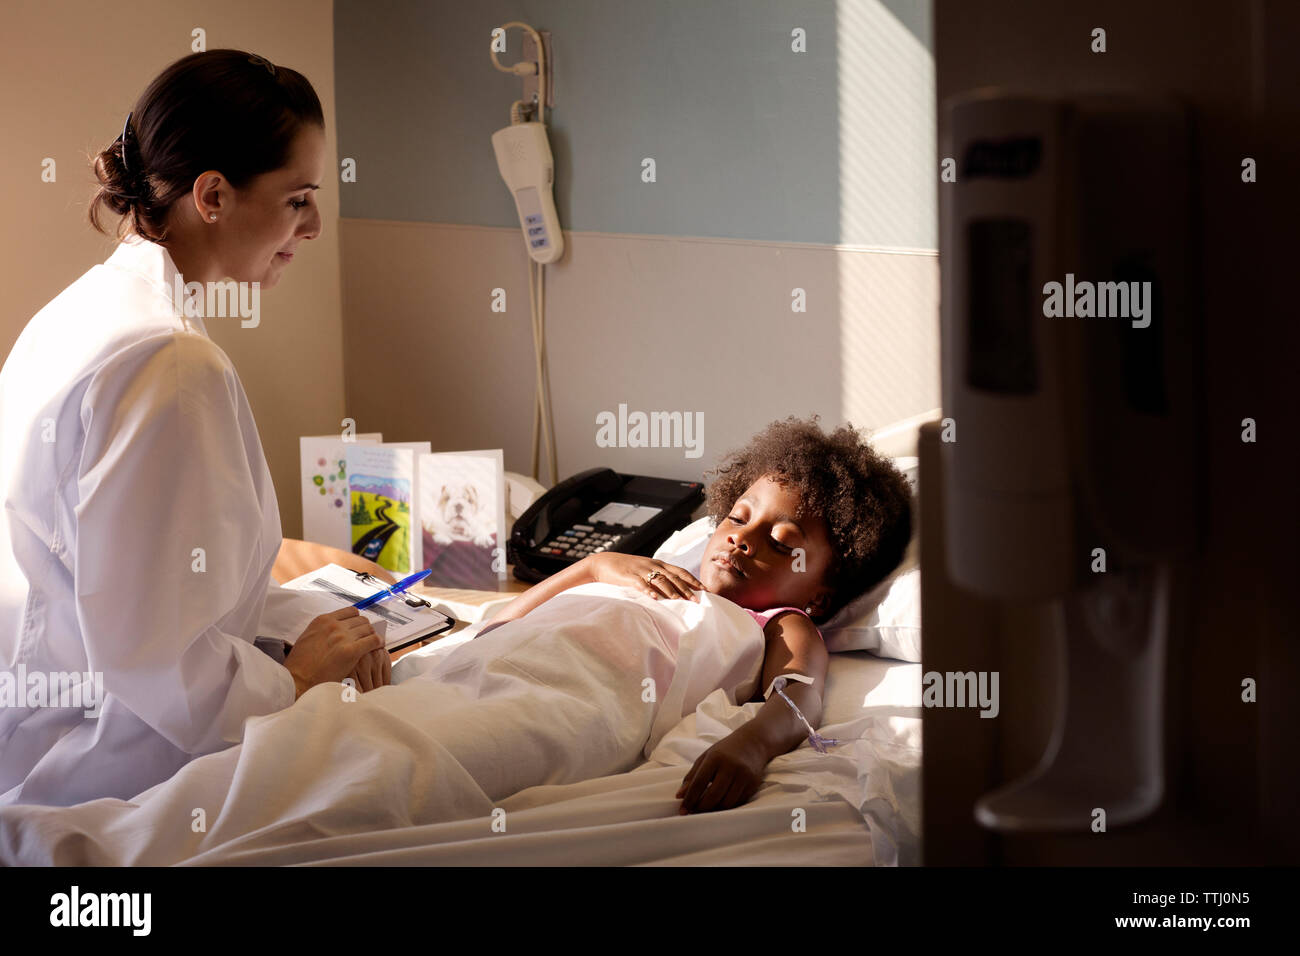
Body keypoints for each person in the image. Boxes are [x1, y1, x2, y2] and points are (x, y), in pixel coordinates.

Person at [0, 50, 387, 808]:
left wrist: (290, 622)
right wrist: (300, 678)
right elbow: (153, 652)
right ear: (212, 194)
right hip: (103, 771)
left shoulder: (82, 312)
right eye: (298, 198)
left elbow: (127, 589)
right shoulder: (169, 362)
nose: (312, 227)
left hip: (35, 727)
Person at [482, 415, 913, 813]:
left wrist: (753, 744)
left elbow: (800, 696)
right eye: (737, 517)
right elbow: (496, 628)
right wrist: (595, 565)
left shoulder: (780, 623)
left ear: (819, 598)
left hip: (570, 700)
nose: (742, 539)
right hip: (493, 668)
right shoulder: (653, 574)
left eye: (781, 543)